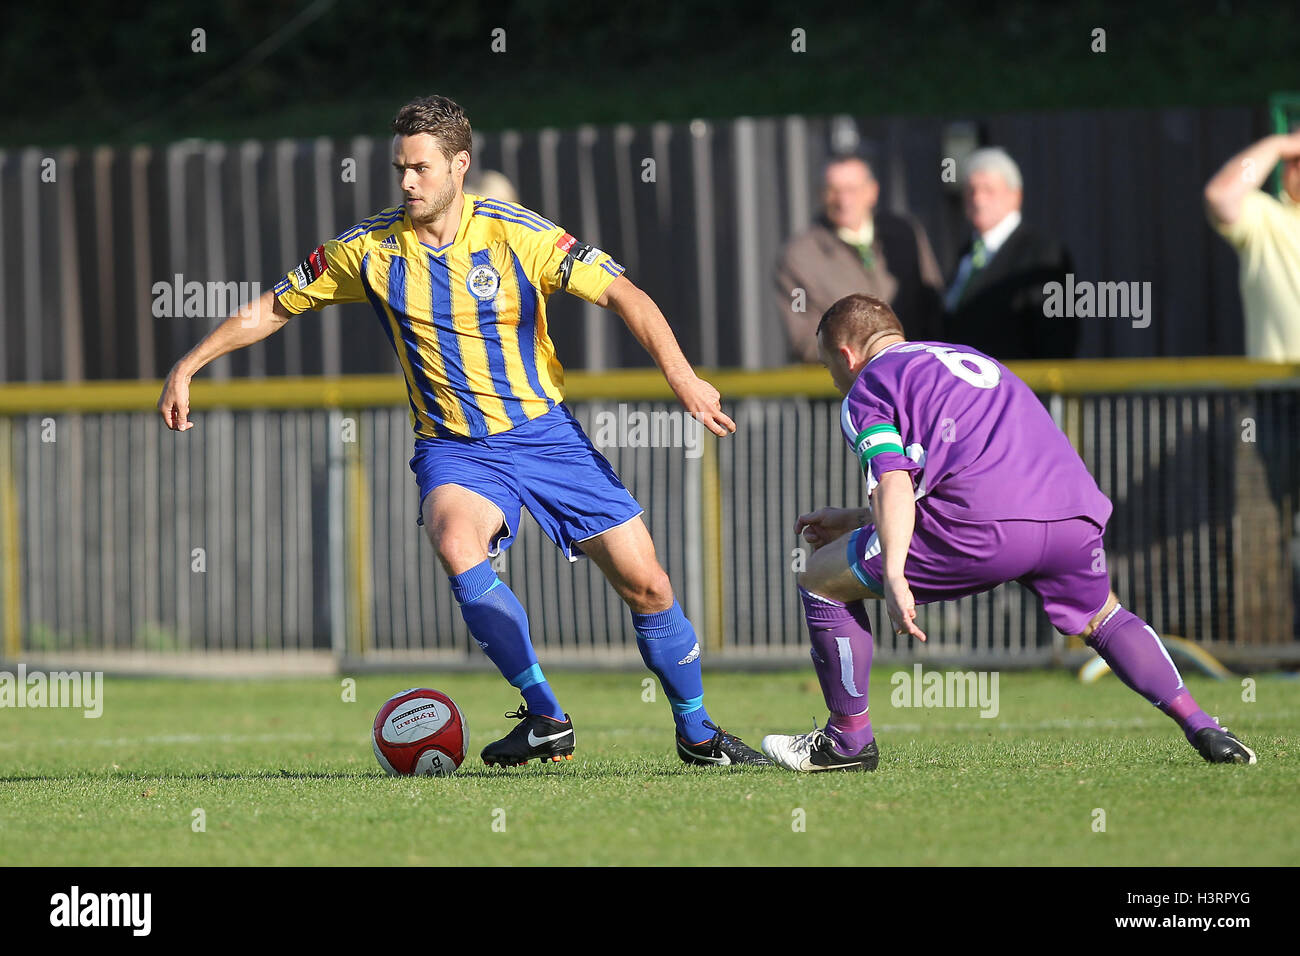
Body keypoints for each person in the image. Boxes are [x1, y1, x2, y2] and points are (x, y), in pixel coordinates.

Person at [157, 94, 769, 768]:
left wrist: (682, 378)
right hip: (455, 449)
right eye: (399, 169)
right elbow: (272, 305)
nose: (407, 182)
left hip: (546, 436)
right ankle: (544, 715)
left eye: (420, 168)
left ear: (459, 166)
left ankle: (698, 732)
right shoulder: (368, 250)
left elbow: (626, 294)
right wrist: (190, 363)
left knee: (648, 585)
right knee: (455, 541)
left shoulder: (517, 232)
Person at [760, 293, 1256, 772]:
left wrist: (893, 574)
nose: (833, 380)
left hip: (978, 527)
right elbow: (971, 468)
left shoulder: (870, 384)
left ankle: (847, 742)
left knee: (820, 580)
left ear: (846, 355)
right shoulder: (967, 356)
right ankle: (1202, 724)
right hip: (1068, 515)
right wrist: (855, 519)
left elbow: (893, 479)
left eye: (828, 368)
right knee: (1103, 617)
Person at [774, 153, 944, 363]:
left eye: (852, 190)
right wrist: (869, 360)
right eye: (834, 191)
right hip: (845, 384)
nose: (843, 200)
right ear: (821, 195)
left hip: (915, 375)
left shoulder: (905, 235)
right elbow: (803, 338)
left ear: (872, 192)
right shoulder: (799, 256)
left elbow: (933, 306)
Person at [942, 147, 1075, 360]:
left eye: (988, 190)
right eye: (971, 190)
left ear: (1015, 196)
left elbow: (1056, 336)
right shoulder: (967, 254)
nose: (978, 199)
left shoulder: (1042, 254)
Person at [1204, 129, 1300, 361]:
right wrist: (1276, 146)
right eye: (1294, 159)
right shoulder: (1267, 219)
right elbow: (1222, 195)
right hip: (1280, 391)